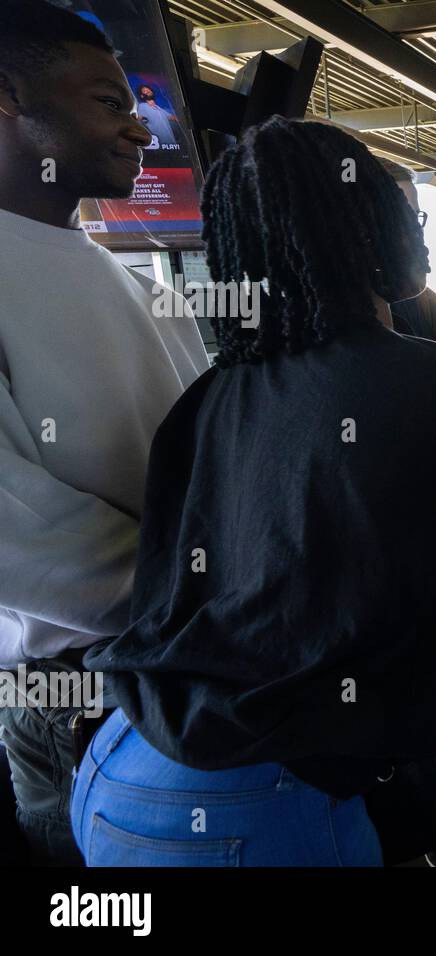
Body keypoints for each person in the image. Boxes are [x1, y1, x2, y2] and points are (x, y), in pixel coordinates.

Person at [70, 117, 436, 866]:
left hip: (123, 760)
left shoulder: (209, 397)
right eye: (397, 203)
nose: (415, 222)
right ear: (363, 222)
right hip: (266, 802)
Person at [0, 1, 209, 866]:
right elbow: (20, 535)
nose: (138, 126)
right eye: (107, 101)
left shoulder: (129, 275)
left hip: (185, 657)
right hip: (81, 692)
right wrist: (220, 587)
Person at [376, 156, 436, 346]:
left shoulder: (431, 304)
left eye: (415, 215)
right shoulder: (326, 315)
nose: (415, 229)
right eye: (401, 216)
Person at [134, 84, 176, 148]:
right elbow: (136, 119)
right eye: (145, 91)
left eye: (148, 89)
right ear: (142, 96)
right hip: (160, 145)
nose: (148, 91)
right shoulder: (142, 106)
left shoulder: (159, 108)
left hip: (172, 145)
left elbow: (172, 117)